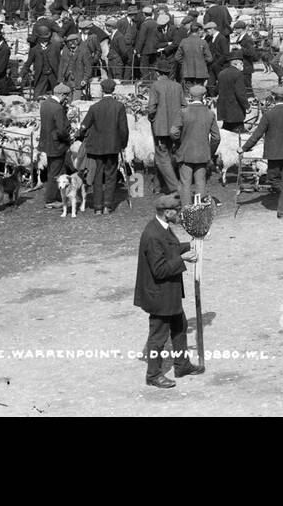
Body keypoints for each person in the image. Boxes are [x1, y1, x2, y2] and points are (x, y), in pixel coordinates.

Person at [134, 193, 200, 388]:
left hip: (168, 293)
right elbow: (160, 269)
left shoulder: (161, 227)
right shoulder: (153, 235)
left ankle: (182, 365)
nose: (179, 215)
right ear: (167, 212)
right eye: (176, 212)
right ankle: (153, 375)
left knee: (180, 327)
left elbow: (169, 249)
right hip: (159, 295)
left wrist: (190, 244)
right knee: (158, 337)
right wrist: (184, 259)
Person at [242, 86, 283, 217]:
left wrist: (244, 148)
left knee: (272, 178)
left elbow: (257, 135)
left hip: (274, 153)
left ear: (273, 98)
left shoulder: (269, 114)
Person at [76, 77, 129, 214]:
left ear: (101, 90)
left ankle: (97, 207)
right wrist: (123, 144)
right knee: (111, 175)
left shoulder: (94, 107)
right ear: (113, 90)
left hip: (96, 148)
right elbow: (123, 129)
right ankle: (107, 205)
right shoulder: (119, 107)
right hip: (113, 146)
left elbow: (84, 125)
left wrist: (79, 137)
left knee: (97, 176)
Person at [172, 84, 219, 205]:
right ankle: (200, 210)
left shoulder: (183, 112)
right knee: (200, 182)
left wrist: (179, 143)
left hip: (185, 152)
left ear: (190, 96)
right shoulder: (210, 113)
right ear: (204, 96)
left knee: (185, 183)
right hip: (202, 154)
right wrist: (210, 151)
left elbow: (173, 132)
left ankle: (186, 211)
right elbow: (216, 138)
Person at [146, 57, 184, 195]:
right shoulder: (178, 86)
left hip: (160, 128)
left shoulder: (155, 86)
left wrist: (152, 118)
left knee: (162, 157)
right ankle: (158, 185)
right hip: (176, 128)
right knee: (169, 155)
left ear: (158, 73)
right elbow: (184, 106)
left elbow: (151, 107)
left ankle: (175, 187)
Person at [40, 83, 73, 208]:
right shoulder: (58, 108)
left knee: (54, 170)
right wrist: (68, 137)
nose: (67, 98)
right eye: (67, 96)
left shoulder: (45, 104)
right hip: (57, 145)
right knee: (56, 172)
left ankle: (59, 197)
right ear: (62, 94)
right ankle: (50, 200)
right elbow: (62, 130)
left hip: (47, 142)